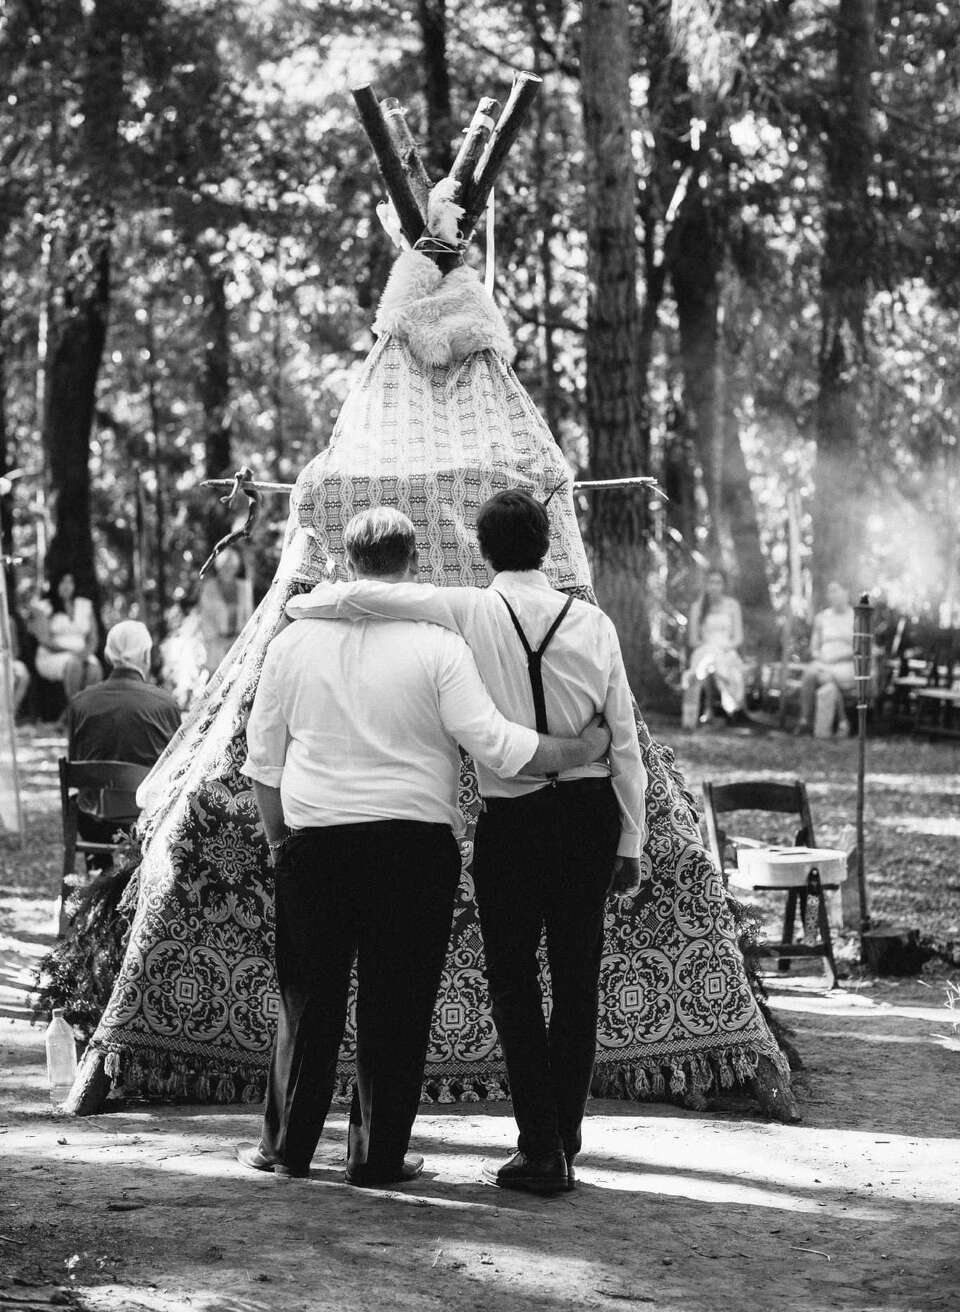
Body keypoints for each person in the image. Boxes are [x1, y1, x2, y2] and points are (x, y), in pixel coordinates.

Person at [286, 488, 647, 1195]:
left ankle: (541, 1146)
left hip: (513, 820)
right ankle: (561, 1136)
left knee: (512, 980)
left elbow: (378, 601)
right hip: (590, 811)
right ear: (548, 545)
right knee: (578, 981)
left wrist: (300, 607)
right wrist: (630, 838)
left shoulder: (471, 609)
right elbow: (625, 740)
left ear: (482, 550)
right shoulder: (595, 623)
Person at [66, 620, 182, 869]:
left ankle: (99, 873)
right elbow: (177, 771)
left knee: (84, 802)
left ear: (109, 655)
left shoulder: (79, 703)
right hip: (147, 821)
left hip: (95, 821)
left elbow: (75, 771)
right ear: (144, 655)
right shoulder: (165, 705)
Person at [681, 568, 747, 729]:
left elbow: (738, 638)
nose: (714, 586)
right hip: (704, 649)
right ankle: (710, 709)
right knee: (708, 661)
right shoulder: (698, 606)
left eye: (718, 582)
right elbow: (693, 640)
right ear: (706, 585)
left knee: (721, 663)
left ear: (723, 585)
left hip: (726, 649)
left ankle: (722, 710)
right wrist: (710, 648)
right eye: (711, 582)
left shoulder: (732, 606)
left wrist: (724, 648)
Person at [30, 572, 103, 703]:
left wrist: (86, 652)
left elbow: (93, 638)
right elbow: (45, 640)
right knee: (74, 664)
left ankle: (87, 712)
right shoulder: (43, 607)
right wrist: (72, 652)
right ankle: (74, 708)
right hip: (52, 655)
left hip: (82, 653)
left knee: (95, 669)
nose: (66, 586)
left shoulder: (85, 605)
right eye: (63, 582)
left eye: (70, 582)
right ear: (56, 584)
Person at [795, 580, 856, 735]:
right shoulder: (822, 617)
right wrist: (820, 656)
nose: (832, 595)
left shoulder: (856, 618)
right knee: (812, 673)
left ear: (846, 592)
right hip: (824, 663)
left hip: (847, 664)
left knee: (823, 674)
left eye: (836, 590)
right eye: (829, 592)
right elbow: (814, 647)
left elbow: (861, 649)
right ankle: (808, 720)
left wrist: (835, 658)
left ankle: (832, 722)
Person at [198, 545, 254, 675]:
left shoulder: (245, 588)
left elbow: (250, 617)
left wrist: (239, 640)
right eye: (224, 567)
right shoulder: (209, 589)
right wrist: (221, 641)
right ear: (218, 568)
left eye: (231, 567)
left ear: (236, 568)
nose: (227, 570)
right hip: (216, 649)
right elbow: (206, 620)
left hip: (240, 645)